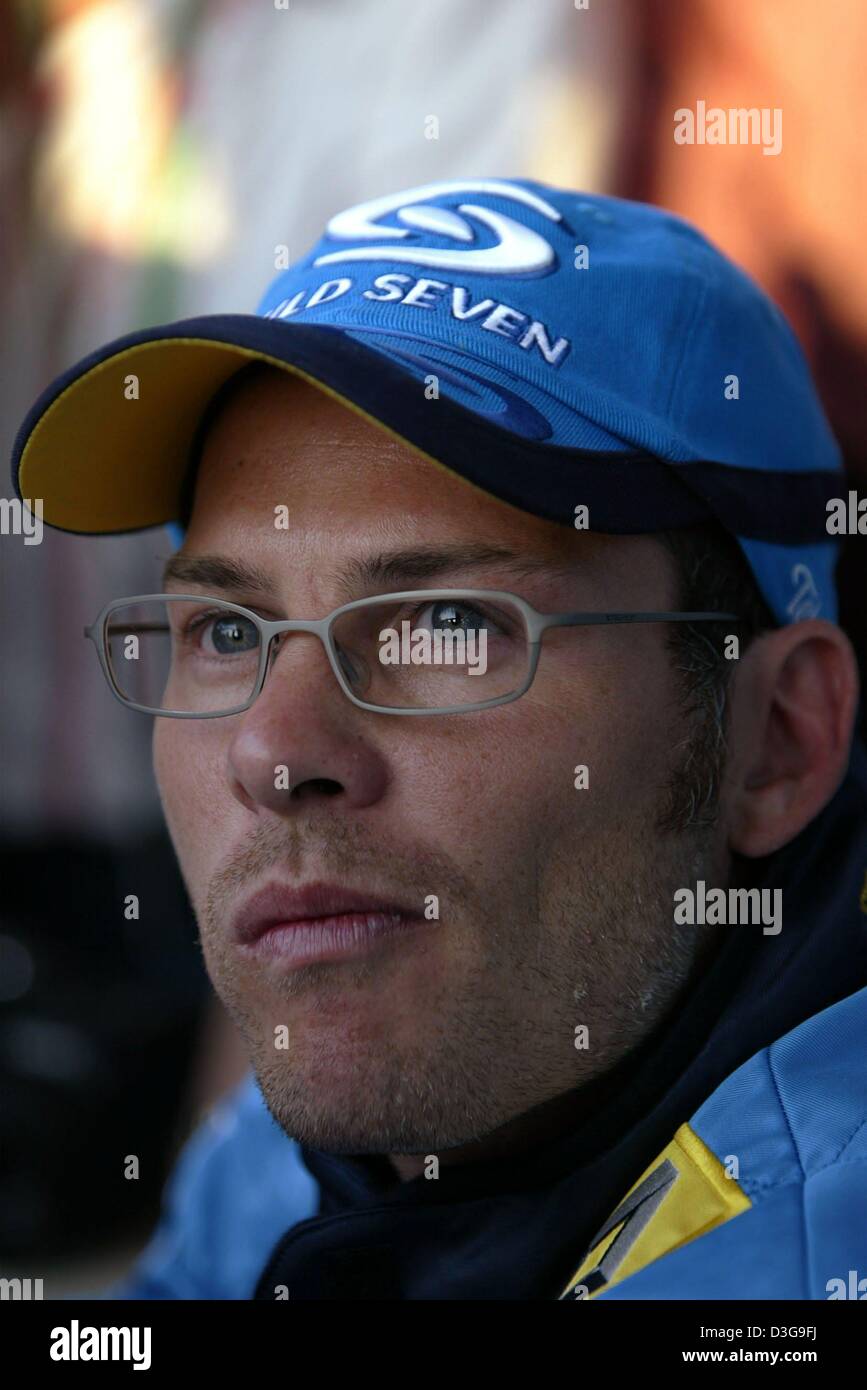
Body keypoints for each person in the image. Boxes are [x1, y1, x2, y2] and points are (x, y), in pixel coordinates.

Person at [12, 179, 867, 1300]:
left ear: (777, 741)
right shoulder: (297, 1145)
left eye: (450, 624)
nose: (272, 752)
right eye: (228, 628)